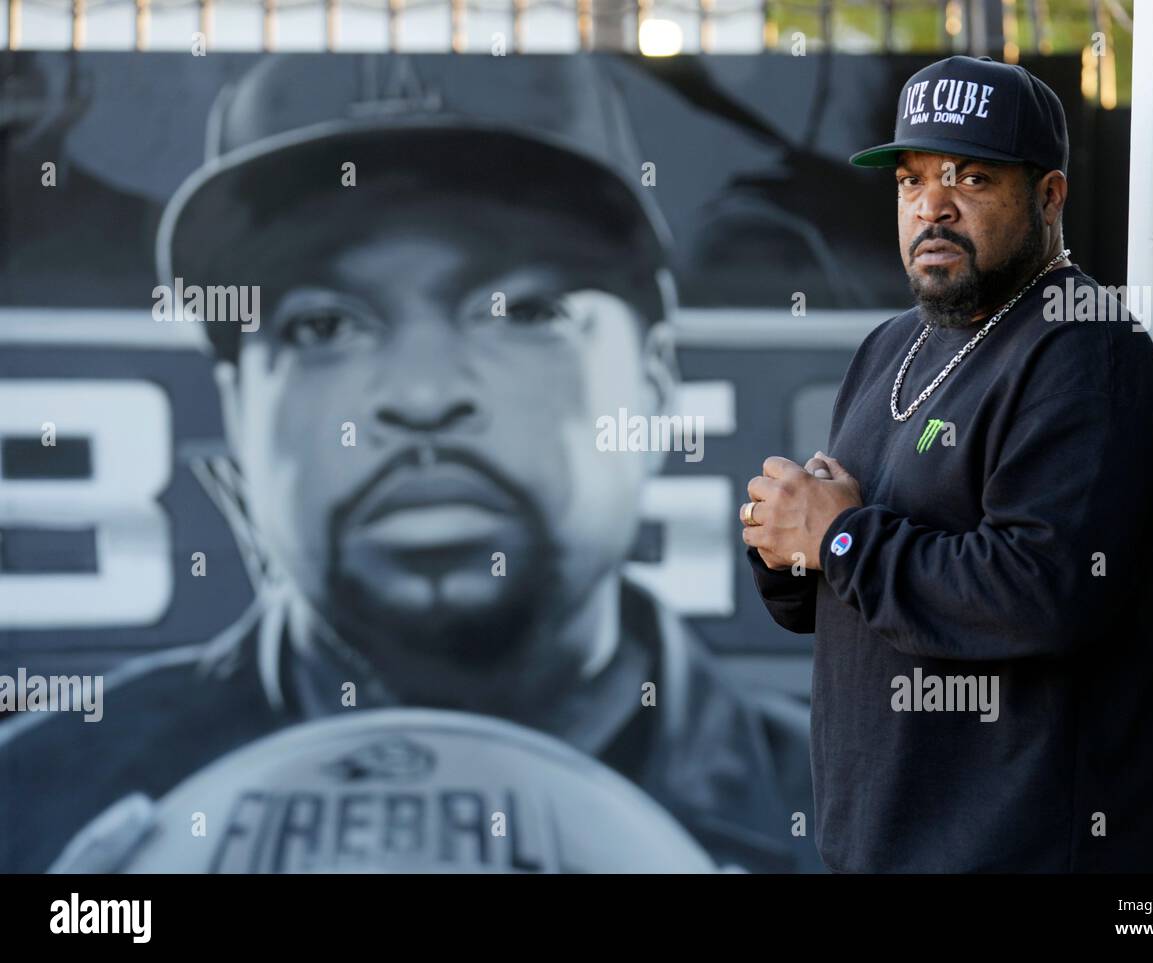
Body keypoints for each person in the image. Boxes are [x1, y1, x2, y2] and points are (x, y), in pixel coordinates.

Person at [0, 54, 821, 874]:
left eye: (523, 310)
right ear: (239, 406)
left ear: (653, 382)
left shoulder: (862, 807)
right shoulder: (34, 799)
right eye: (324, 326)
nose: (424, 394)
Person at [740, 55, 1153, 873]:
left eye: (971, 177)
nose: (931, 207)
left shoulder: (1086, 355)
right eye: (911, 181)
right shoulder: (891, 346)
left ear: (1049, 195)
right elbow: (851, 590)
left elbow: (1039, 593)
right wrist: (788, 544)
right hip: (877, 847)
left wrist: (840, 536)